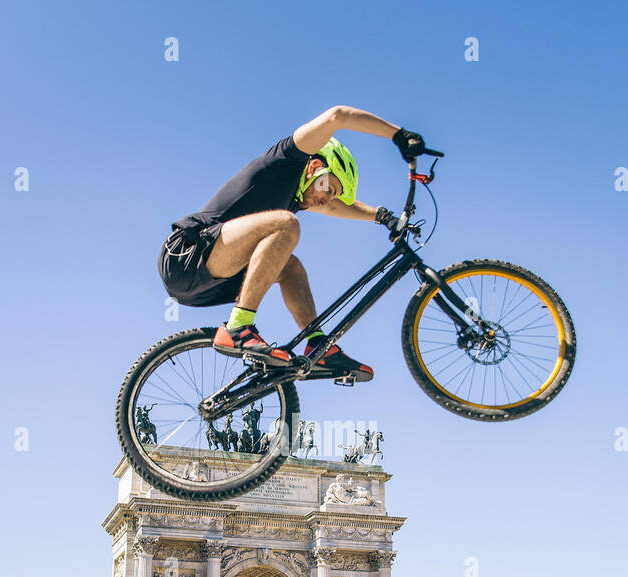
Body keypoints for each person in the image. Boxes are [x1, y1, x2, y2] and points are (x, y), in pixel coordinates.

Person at [158, 106, 428, 383]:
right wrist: (398, 134)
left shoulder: (301, 198)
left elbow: (335, 208)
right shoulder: (287, 158)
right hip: (186, 255)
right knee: (286, 224)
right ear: (314, 166)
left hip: (211, 282)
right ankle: (238, 328)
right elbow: (338, 116)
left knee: (291, 268)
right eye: (328, 189)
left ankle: (320, 346)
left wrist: (382, 217)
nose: (326, 200)